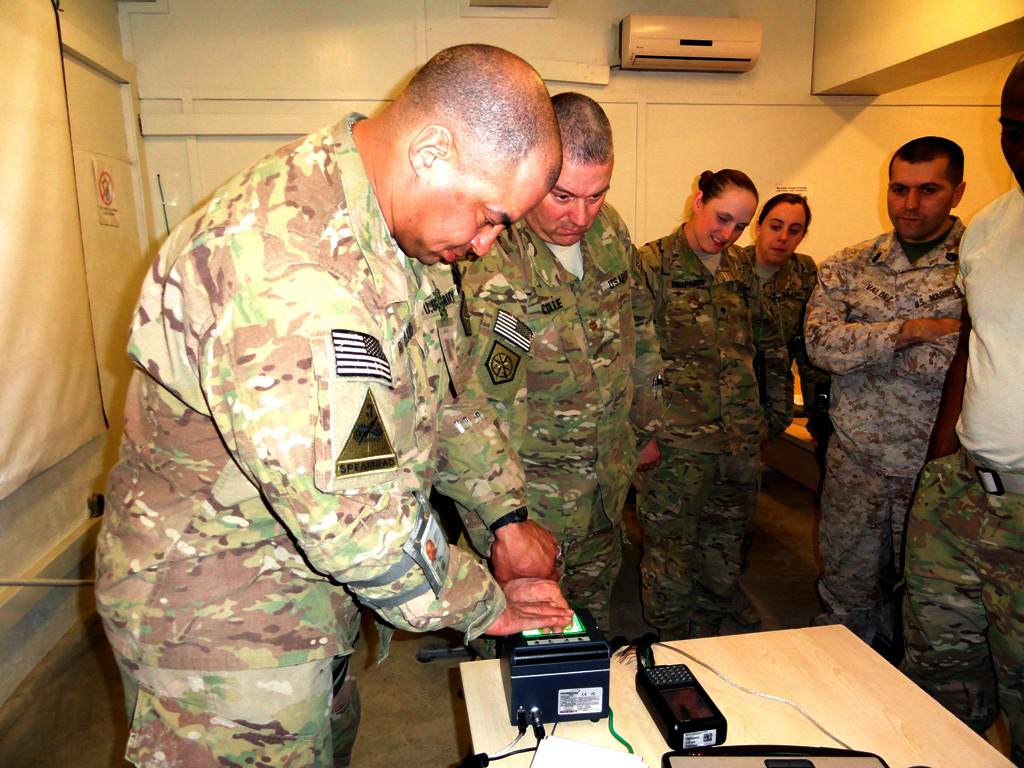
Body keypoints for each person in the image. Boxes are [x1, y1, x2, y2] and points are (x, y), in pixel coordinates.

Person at [94, 44, 575, 768]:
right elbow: (358, 528)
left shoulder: (402, 235)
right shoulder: (288, 271)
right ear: (433, 150)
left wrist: (503, 516)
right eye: (490, 216)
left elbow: (447, 397)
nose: (485, 244)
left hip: (311, 602)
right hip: (221, 635)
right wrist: (485, 604)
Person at [455, 92, 663, 632]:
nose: (580, 216)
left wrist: (644, 426)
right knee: (518, 662)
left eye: (597, 195)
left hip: (603, 492)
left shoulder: (610, 232)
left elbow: (639, 325)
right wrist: (504, 528)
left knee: (589, 633)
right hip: (531, 512)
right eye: (563, 195)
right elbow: (474, 406)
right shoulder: (491, 255)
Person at [902, 58, 1024, 767]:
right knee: (940, 694)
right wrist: (941, 465)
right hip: (962, 491)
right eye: (1012, 126)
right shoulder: (987, 229)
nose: (1021, 143)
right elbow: (976, 344)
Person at [804, 136, 967, 648]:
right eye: (899, 189)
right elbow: (820, 345)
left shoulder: (981, 266)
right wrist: (911, 330)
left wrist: (866, 341)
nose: (910, 204)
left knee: (934, 608)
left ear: (957, 192)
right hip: (857, 463)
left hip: (938, 467)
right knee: (845, 597)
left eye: (928, 190)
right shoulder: (849, 266)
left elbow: (978, 358)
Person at [633, 169, 792, 638]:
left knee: (727, 549)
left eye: (741, 226)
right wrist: (643, 435)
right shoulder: (651, 264)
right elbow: (633, 358)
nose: (727, 234)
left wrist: (772, 414)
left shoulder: (739, 268)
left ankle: (709, 635)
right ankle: (669, 646)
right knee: (670, 556)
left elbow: (769, 341)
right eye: (722, 218)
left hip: (738, 441)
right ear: (697, 200)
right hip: (676, 444)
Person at [741, 194, 830, 465]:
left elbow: (810, 352)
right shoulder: (731, 266)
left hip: (776, 392)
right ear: (758, 227)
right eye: (775, 226)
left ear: (803, 235)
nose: (782, 238)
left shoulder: (805, 271)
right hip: (733, 392)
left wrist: (820, 421)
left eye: (794, 230)